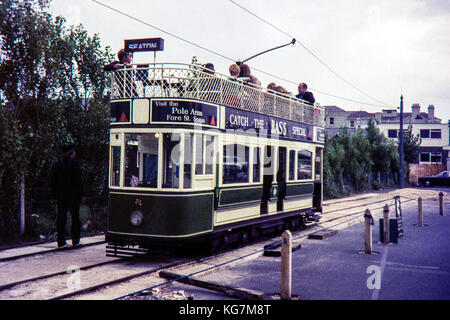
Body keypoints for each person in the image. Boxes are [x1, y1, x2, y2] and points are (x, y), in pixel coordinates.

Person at [51, 144, 86, 249]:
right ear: (72, 153)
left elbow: (53, 182)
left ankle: (61, 242)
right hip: (73, 196)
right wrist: (82, 194)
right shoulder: (75, 164)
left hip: (61, 196)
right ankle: (76, 241)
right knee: (75, 218)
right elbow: (78, 181)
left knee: (61, 218)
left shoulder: (57, 164)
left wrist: (55, 196)